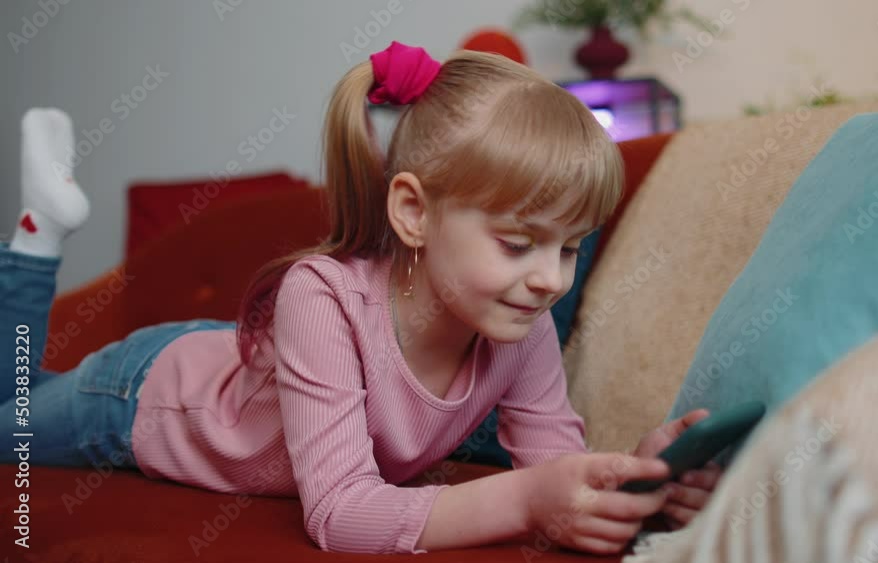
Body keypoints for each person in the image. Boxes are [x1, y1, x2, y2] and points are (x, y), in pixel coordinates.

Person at [0, 42, 721, 555]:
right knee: (11, 416)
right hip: (145, 392)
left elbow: (549, 471)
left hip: (247, 358)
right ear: (412, 212)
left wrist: (630, 482)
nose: (551, 280)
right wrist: (531, 500)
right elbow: (341, 513)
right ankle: (38, 236)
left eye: (569, 247)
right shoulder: (321, 295)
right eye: (517, 242)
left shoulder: (519, 325)